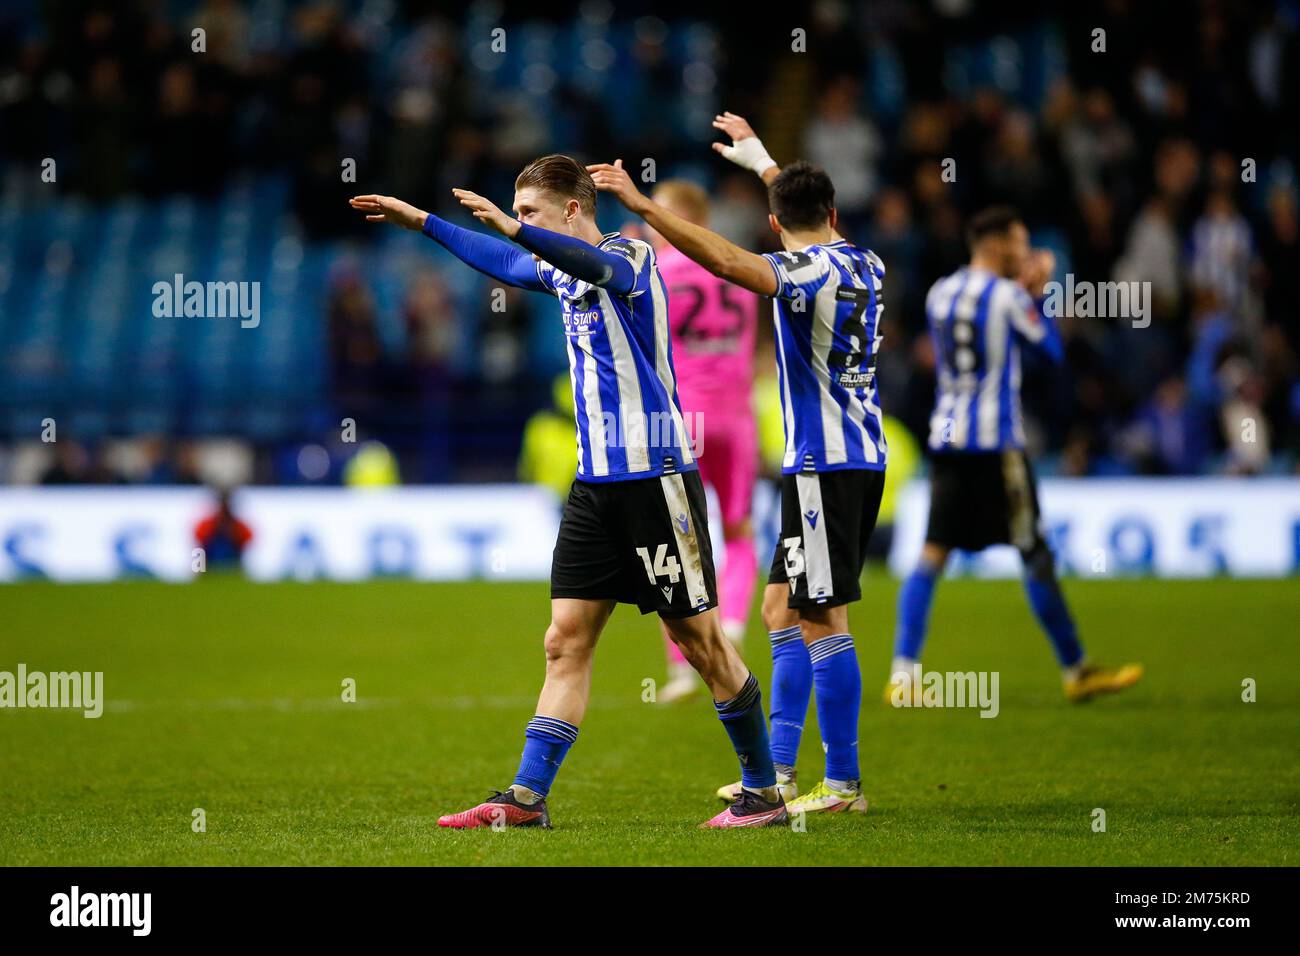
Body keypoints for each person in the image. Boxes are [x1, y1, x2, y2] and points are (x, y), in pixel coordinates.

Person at [350, 154, 788, 829]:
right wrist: (425, 223)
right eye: (518, 212)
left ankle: (763, 792)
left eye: (530, 212)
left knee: (700, 642)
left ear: (574, 210)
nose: (519, 223)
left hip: (655, 480)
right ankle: (526, 798)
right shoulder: (557, 266)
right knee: (565, 639)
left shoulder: (632, 260)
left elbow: (587, 267)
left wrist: (515, 230)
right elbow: (507, 265)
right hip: (594, 487)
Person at [590, 140, 887, 816]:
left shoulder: (798, 272)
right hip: (844, 455)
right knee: (780, 609)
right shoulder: (866, 260)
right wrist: (764, 164)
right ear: (833, 212)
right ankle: (779, 773)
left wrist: (641, 206)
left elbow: (725, 259)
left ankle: (843, 785)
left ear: (777, 226)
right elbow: (798, 210)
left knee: (820, 617)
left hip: (826, 463)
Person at [888, 206, 1143, 704]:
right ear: (1000, 244)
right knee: (1034, 551)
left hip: (947, 439)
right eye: (1021, 243)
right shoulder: (1007, 296)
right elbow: (1050, 350)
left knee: (932, 553)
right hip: (995, 444)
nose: (1027, 253)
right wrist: (1038, 291)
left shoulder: (940, 292)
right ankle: (1076, 669)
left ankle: (904, 673)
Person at [642, 179, 761, 704]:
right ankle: (731, 625)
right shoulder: (737, 267)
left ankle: (683, 666)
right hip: (737, 416)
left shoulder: (656, 271)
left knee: (677, 541)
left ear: (675, 218)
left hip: (680, 417)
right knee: (737, 531)